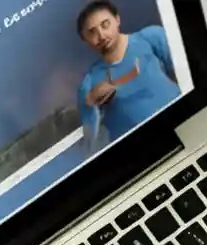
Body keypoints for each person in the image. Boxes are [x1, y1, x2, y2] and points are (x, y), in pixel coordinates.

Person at [75, 1, 180, 149]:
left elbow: (187, 73)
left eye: (105, 25)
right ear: (85, 39)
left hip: (181, 123)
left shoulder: (152, 37)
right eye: (92, 32)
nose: (101, 35)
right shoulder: (88, 84)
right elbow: (90, 143)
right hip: (135, 151)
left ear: (117, 20)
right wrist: (91, 104)